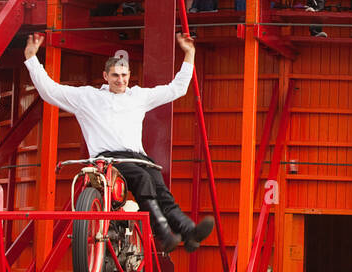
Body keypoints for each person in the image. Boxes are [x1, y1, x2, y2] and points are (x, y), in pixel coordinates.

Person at [22, 32, 214, 255]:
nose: (120, 80)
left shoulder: (138, 96)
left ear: (130, 74)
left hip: (138, 157)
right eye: (115, 75)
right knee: (143, 179)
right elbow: (50, 90)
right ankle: (163, 233)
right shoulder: (88, 98)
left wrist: (189, 54)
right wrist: (31, 59)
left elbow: (177, 89)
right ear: (105, 76)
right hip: (109, 158)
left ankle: (188, 230)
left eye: (124, 75)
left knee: (158, 185)